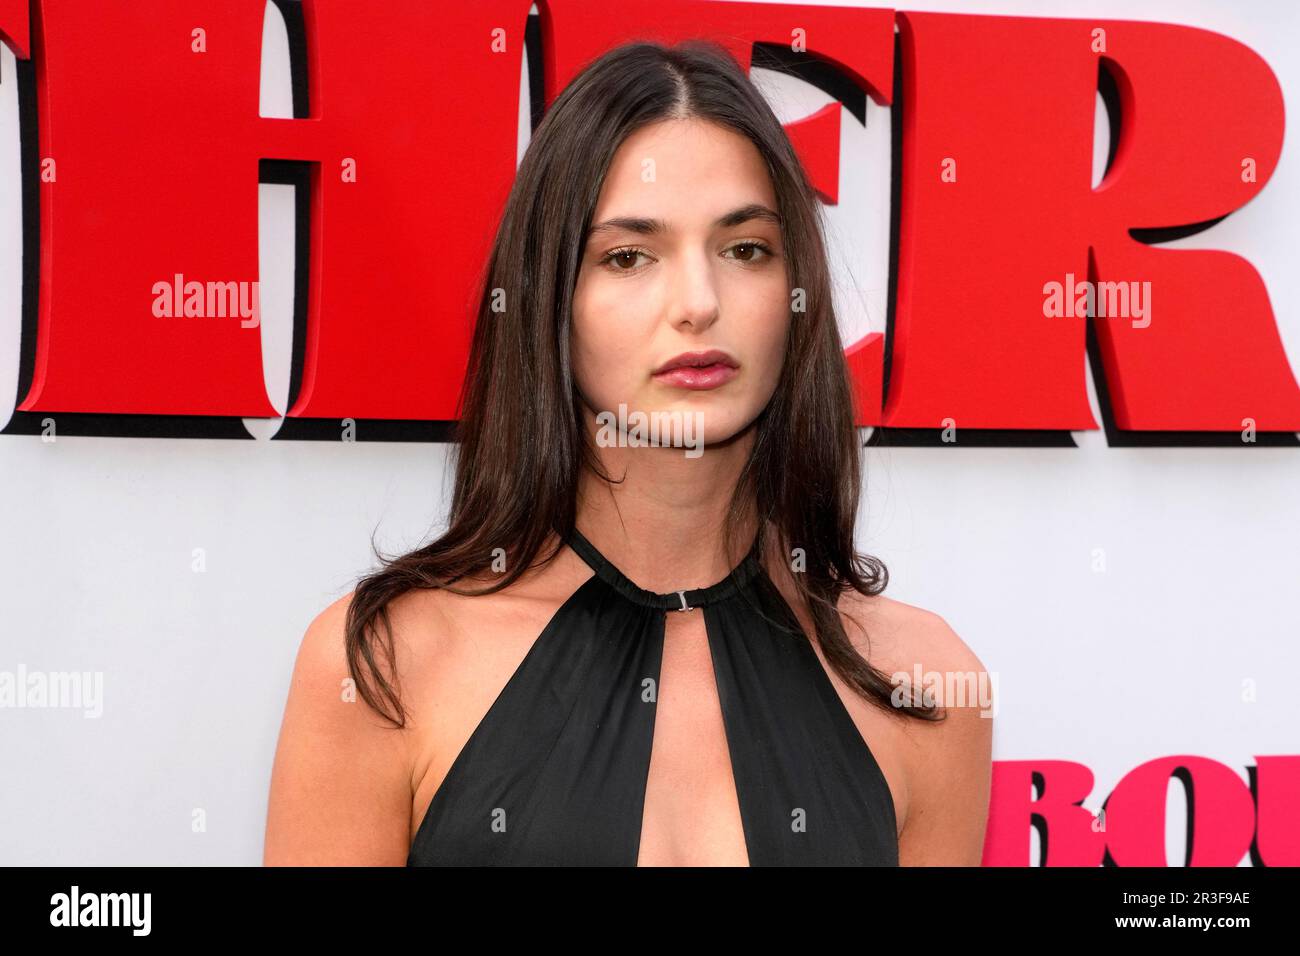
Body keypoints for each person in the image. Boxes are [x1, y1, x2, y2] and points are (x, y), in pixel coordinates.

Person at [264, 39, 992, 866]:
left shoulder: (925, 687)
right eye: (628, 256)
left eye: (745, 248)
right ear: (548, 302)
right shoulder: (384, 669)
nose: (697, 303)